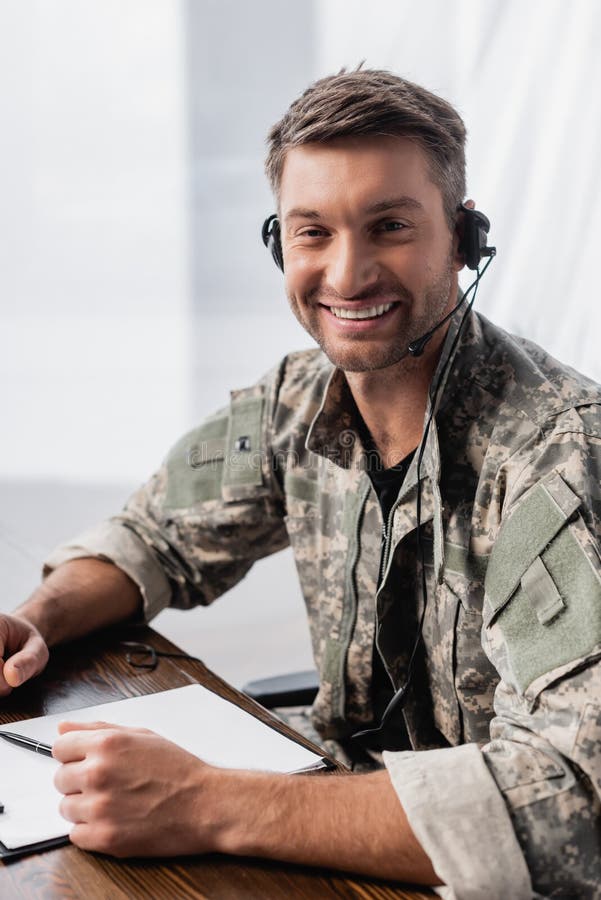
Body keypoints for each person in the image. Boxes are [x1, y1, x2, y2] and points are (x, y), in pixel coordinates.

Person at [1, 68, 600, 898]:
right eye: (311, 232)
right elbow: (154, 536)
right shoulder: (295, 397)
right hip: (333, 829)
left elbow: (574, 799)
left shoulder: (560, 457)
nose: (346, 275)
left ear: (463, 239)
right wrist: (34, 622)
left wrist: (207, 803)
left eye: (389, 226)